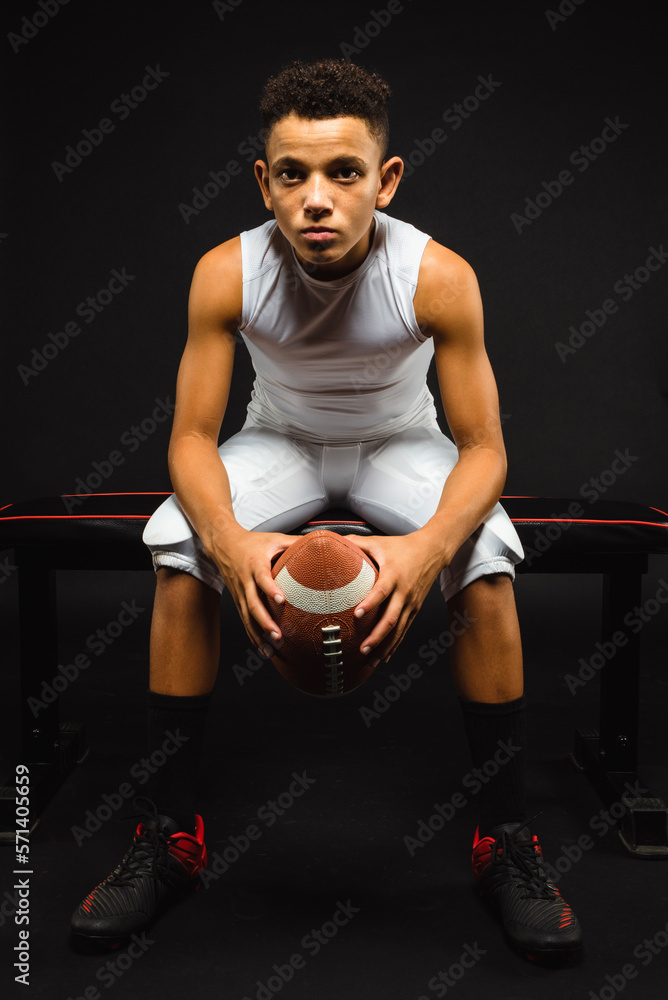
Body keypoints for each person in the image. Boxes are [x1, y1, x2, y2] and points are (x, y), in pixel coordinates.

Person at [71, 58, 582, 961]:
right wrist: (228, 541)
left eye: (344, 173)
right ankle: (167, 839)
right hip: (280, 440)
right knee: (179, 549)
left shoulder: (438, 276)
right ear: (264, 182)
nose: (318, 198)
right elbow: (191, 439)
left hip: (402, 443)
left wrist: (426, 549)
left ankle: (506, 843)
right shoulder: (224, 273)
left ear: (383, 181)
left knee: (487, 565)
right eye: (294, 175)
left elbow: (485, 451)